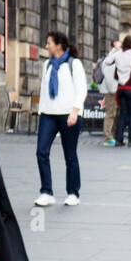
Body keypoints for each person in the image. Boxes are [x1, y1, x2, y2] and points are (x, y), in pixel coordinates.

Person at [35, 31, 87, 205]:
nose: (46, 46)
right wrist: (41, 111)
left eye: (49, 43)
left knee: (70, 155)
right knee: (41, 152)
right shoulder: (47, 65)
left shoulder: (74, 64)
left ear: (58, 45)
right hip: (48, 114)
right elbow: (43, 89)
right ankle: (46, 192)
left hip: (68, 114)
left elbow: (81, 90)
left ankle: (73, 193)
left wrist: (75, 111)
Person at [103, 35, 131, 146]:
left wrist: (114, 50)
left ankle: (119, 139)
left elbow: (108, 61)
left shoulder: (118, 54)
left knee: (122, 114)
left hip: (121, 88)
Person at [98, 38, 122, 146]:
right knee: (111, 113)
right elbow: (109, 77)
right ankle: (108, 137)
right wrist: (113, 90)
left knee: (115, 113)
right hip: (110, 90)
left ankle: (113, 135)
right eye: (118, 46)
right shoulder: (110, 59)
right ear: (112, 47)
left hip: (115, 89)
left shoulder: (116, 57)